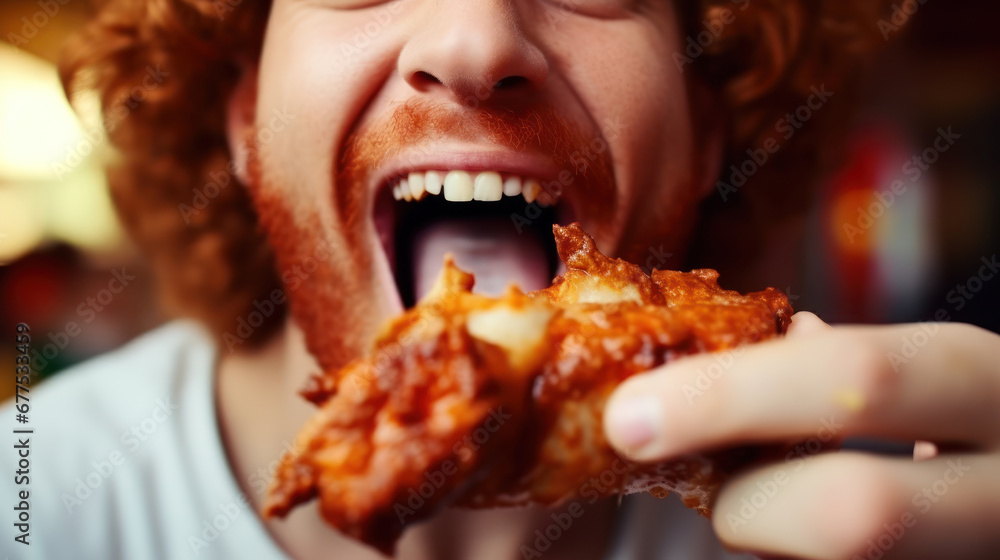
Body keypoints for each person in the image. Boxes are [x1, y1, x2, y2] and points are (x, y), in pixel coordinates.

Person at [4, 0, 999, 558]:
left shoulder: (862, 507)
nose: (473, 42)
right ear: (247, 119)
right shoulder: (37, 506)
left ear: (708, 136)